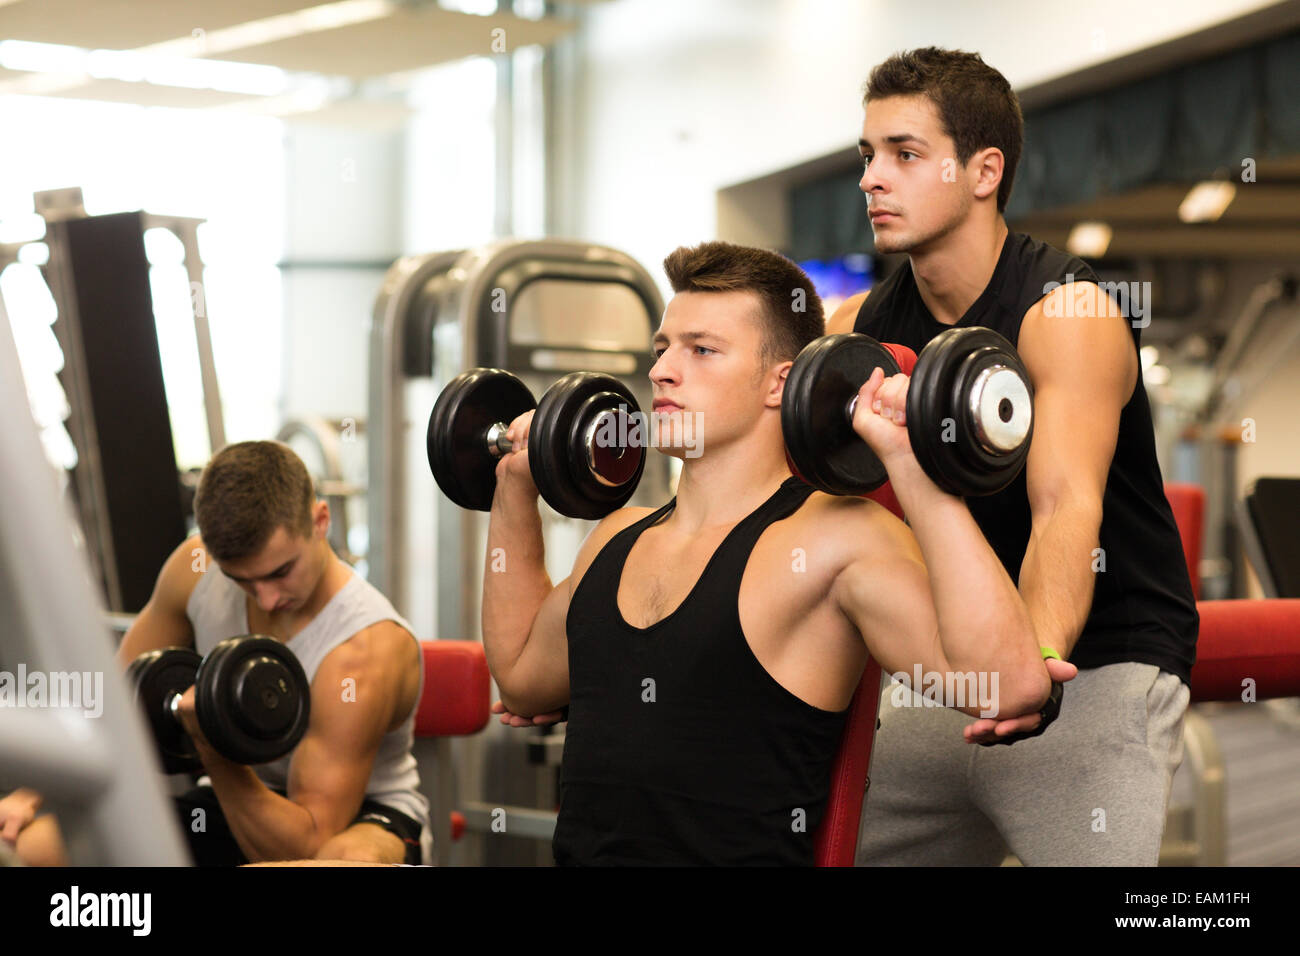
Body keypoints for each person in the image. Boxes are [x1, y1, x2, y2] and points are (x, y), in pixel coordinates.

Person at [483, 240, 1074, 866]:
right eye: (662, 349)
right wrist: (515, 486)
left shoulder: (834, 539)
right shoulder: (614, 537)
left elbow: (1006, 686)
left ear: (781, 383)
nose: (661, 371)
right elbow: (520, 678)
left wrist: (910, 462)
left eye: (702, 350)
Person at [823, 47, 1197, 865]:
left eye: (905, 154)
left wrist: (1035, 666)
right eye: (867, 155)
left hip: (1092, 670)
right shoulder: (858, 330)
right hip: (943, 675)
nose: (870, 180)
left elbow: (1065, 507)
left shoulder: (1065, 314)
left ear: (983, 170)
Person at [0, 441, 429, 866]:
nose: (265, 599)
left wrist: (210, 743)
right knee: (25, 848)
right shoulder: (196, 567)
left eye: (281, 572)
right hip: (230, 799)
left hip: (354, 820)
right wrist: (33, 794)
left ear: (320, 521)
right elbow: (116, 698)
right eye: (240, 579)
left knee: (324, 866)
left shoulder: (362, 649)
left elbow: (303, 845)